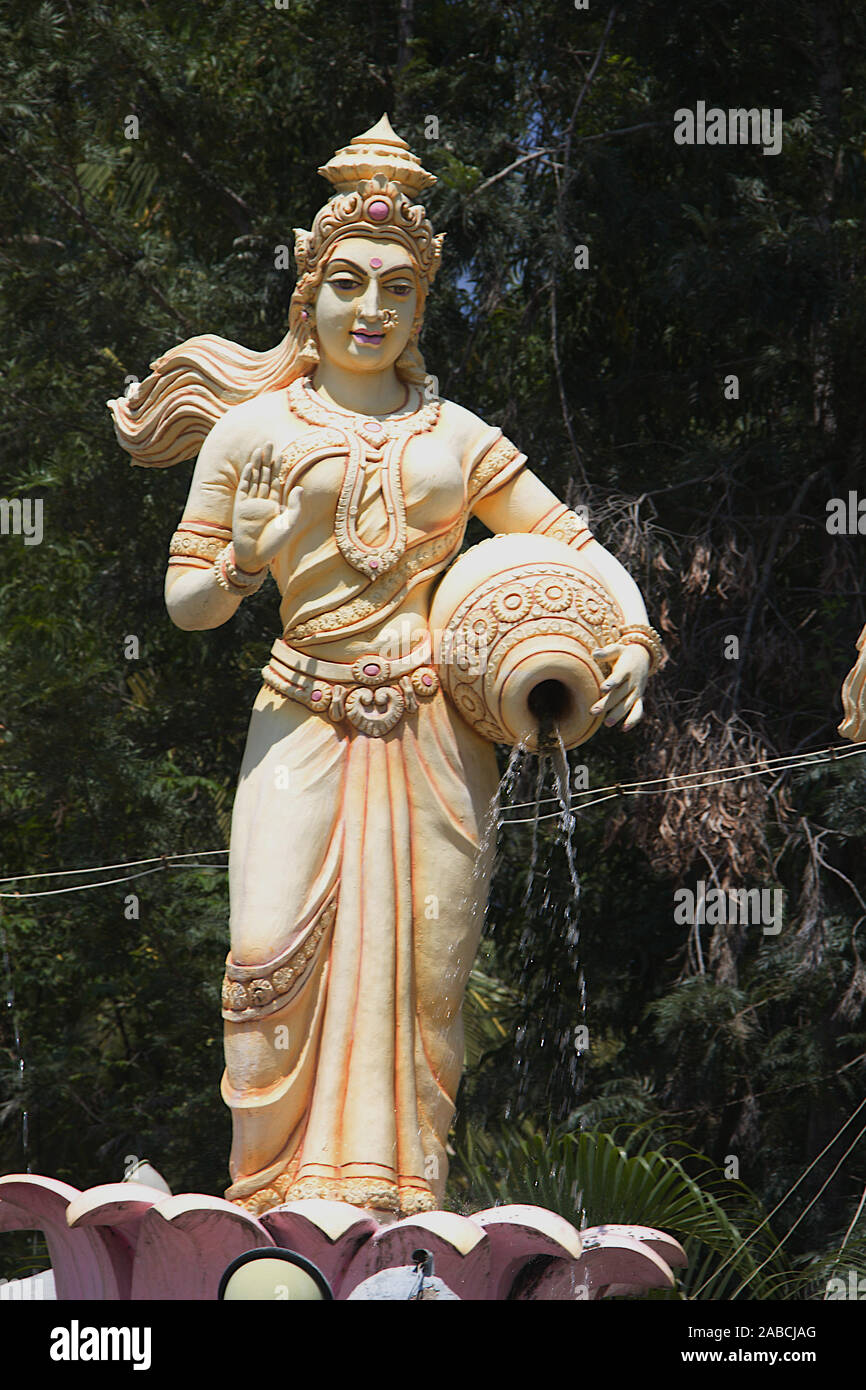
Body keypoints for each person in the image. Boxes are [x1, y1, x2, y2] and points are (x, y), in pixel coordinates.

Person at [108, 117, 660, 1218]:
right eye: (346, 283)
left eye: (396, 290)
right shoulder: (252, 435)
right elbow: (183, 607)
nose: (369, 309)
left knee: (426, 976)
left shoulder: (456, 434)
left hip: (432, 732)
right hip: (299, 715)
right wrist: (247, 558)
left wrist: (633, 633)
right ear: (306, 296)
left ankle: (400, 1206)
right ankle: (265, 1201)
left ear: (419, 308)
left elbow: (571, 540)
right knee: (263, 960)